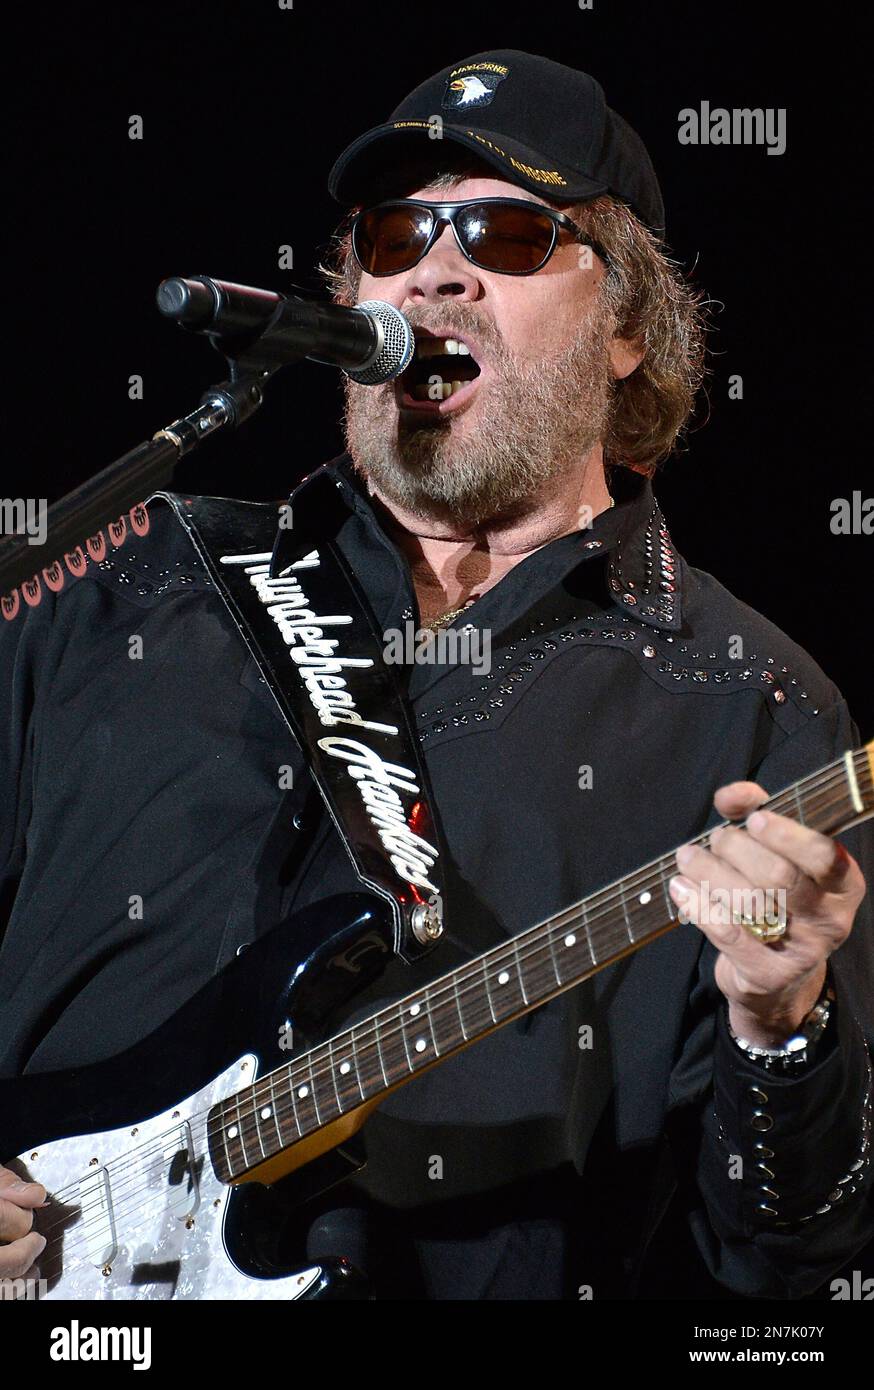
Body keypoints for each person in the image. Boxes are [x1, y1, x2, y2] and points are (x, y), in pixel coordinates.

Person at [1, 49, 872, 1301]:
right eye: (397, 232)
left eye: (511, 234)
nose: (435, 269)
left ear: (629, 329)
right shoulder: (130, 581)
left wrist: (781, 1024)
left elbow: (792, 1253)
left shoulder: (750, 706)